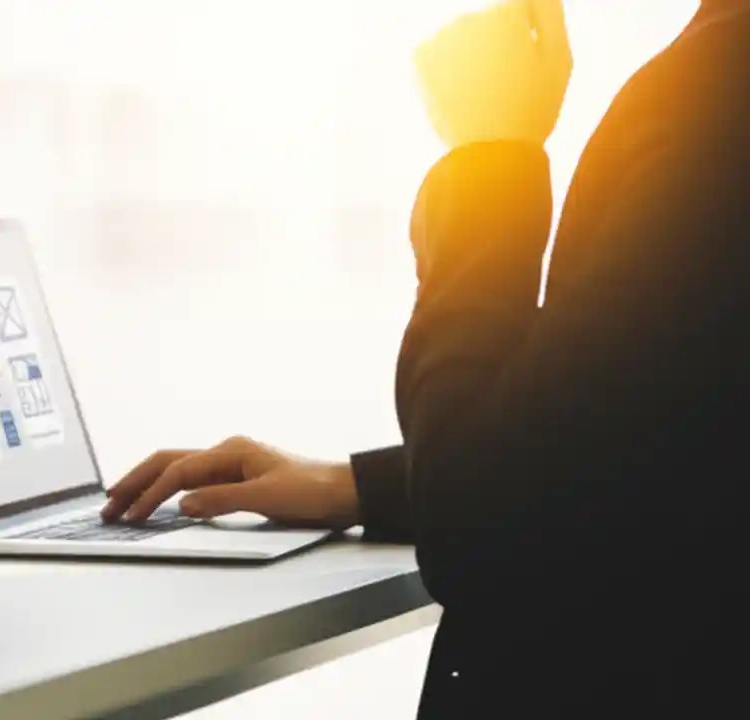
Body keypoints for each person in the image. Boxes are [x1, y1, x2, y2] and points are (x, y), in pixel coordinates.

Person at [102, 0, 750, 716]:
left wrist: (490, 155)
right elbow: (653, 456)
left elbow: (491, 536)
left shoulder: (715, 90)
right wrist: (362, 487)